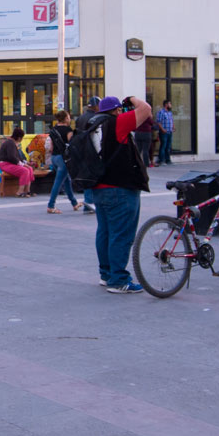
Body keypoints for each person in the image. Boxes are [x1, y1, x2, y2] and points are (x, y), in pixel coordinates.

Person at [92, 95, 150, 293]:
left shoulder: (92, 125)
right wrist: (132, 98)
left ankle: (106, 274)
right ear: (117, 110)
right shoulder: (117, 123)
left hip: (99, 188)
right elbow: (146, 109)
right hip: (120, 188)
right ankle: (118, 279)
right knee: (121, 234)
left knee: (105, 232)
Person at [45, 110, 79, 214]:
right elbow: (72, 145)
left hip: (54, 158)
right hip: (63, 159)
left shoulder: (53, 130)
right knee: (58, 182)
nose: (70, 119)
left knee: (66, 181)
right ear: (65, 118)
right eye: (68, 117)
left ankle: (74, 203)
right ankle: (51, 206)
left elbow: (50, 148)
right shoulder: (68, 130)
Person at [0, 126, 36, 196]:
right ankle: (19, 192)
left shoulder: (12, 143)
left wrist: (27, 163)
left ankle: (27, 191)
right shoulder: (10, 143)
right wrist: (23, 165)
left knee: (29, 168)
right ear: (19, 137)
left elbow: (18, 158)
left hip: (9, 163)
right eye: (22, 138)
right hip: (4, 164)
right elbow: (12, 157)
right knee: (25, 171)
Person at [155, 100, 175, 165]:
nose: (170, 105)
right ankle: (161, 160)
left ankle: (168, 160)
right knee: (163, 145)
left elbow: (171, 120)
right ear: (166, 105)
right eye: (170, 104)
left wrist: (173, 127)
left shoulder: (170, 113)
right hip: (164, 132)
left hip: (170, 131)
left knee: (168, 146)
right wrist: (162, 129)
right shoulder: (161, 112)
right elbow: (158, 122)